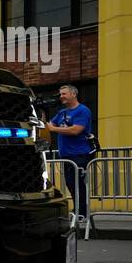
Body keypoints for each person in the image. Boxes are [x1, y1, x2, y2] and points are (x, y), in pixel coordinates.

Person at [43, 84, 95, 223]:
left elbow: (75, 130)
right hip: (66, 155)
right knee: (71, 184)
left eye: (64, 94)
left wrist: (54, 129)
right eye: (60, 94)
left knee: (78, 184)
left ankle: (83, 212)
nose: (61, 97)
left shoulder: (82, 111)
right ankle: (78, 210)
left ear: (74, 94)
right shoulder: (62, 112)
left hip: (79, 154)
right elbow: (48, 125)